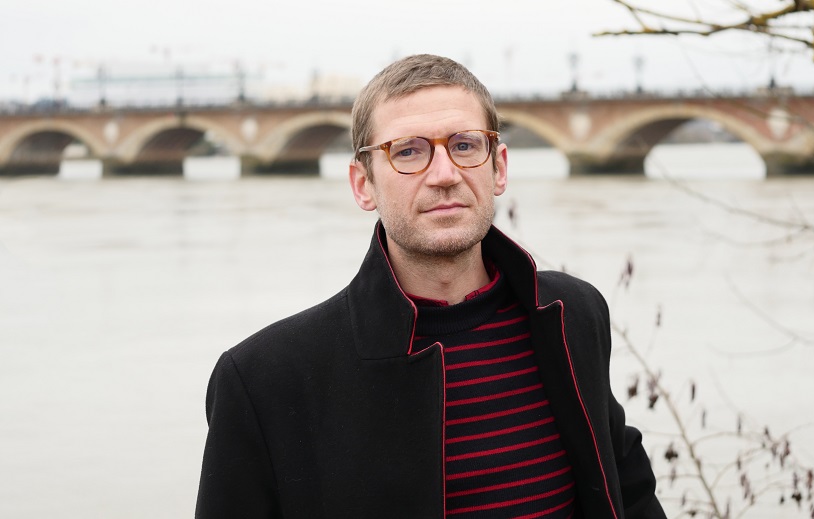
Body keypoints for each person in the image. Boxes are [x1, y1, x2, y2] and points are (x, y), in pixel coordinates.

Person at [196, 54, 665, 519]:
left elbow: (632, 497)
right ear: (364, 186)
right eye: (408, 152)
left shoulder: (572, 315)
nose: (444, 174)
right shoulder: (264, 379)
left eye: (464, 145)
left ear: (498, 168)